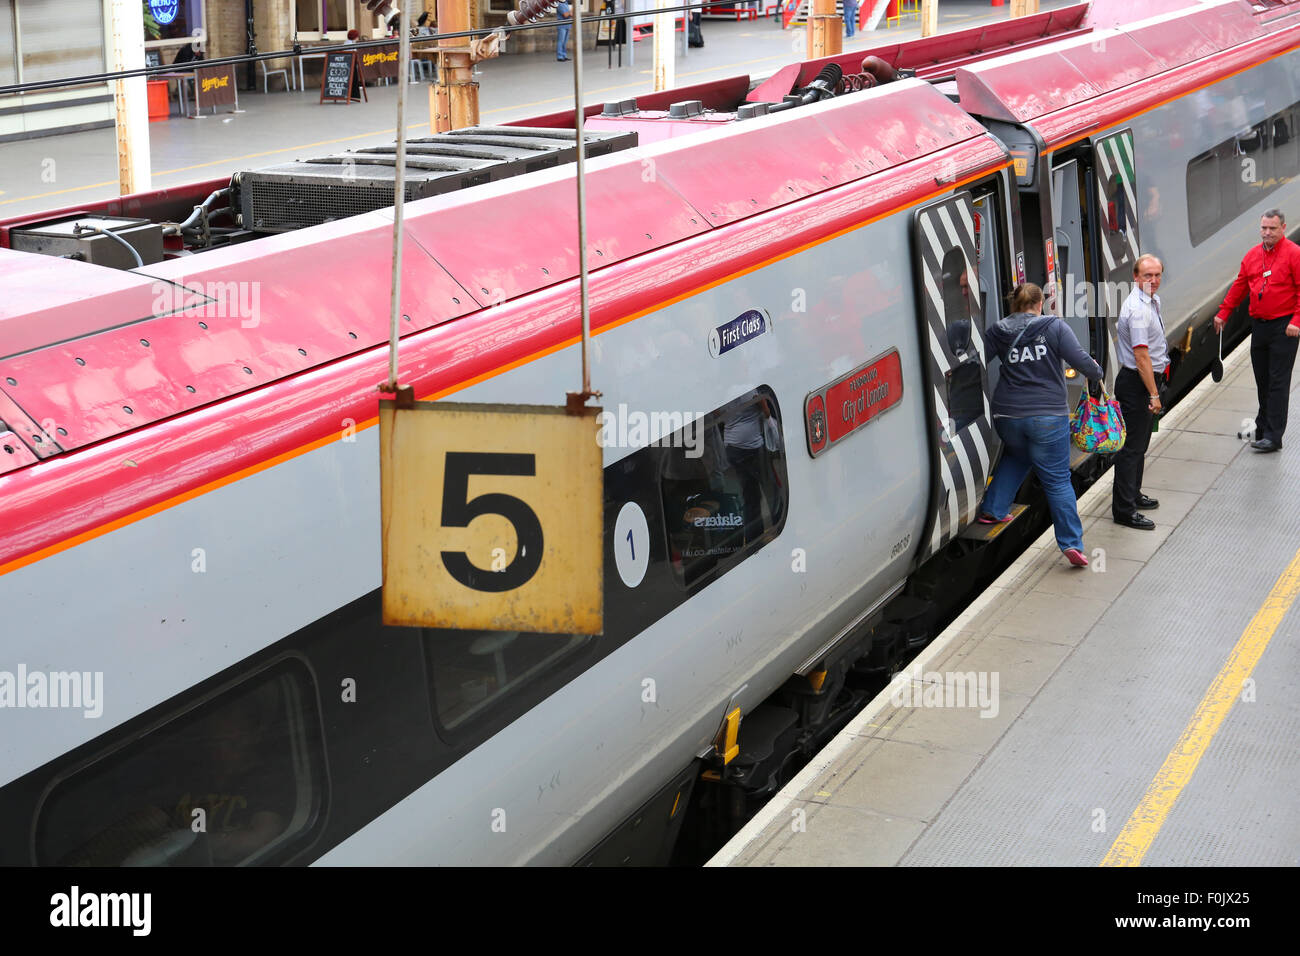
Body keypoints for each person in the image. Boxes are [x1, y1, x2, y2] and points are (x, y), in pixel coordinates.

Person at [979, 283, 1104, 568]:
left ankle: (994, 509)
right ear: (1041, 303)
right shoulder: (1054, 328)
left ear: (1015, 304)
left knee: (1019, 454)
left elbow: (979, 361)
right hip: (1046, 416)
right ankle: (1072, 544)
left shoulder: (997, 331)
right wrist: (1096, 372)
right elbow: (1081, 360)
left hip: (1007, 416)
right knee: (1058, 480)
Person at [1213, 208, 1300, 453]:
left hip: (1284, 327)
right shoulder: (1252, 255)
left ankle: (1274, 436)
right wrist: (1223, 313)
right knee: (1263, 380)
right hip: (1259, 326)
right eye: (1264, 228)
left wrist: (1297, 320)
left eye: (1272, 228)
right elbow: (1240, 285)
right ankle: (1262, 426)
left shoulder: (1294, 254)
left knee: (1278, 382)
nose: (1267, 233)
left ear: (1283, 227)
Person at [1112, 254, 1169, 530]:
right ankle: (1124, 510)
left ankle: (1133, 494)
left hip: (1143, 381)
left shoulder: (1152, 301)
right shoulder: (1137, 310)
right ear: (1135, 277)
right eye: (1148, 276)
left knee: (1140, 446)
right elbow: (1141, 357)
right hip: (1137, 383)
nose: (1154, 280)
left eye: (1157, 275)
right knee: (1131, 449)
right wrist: (1154, 394)